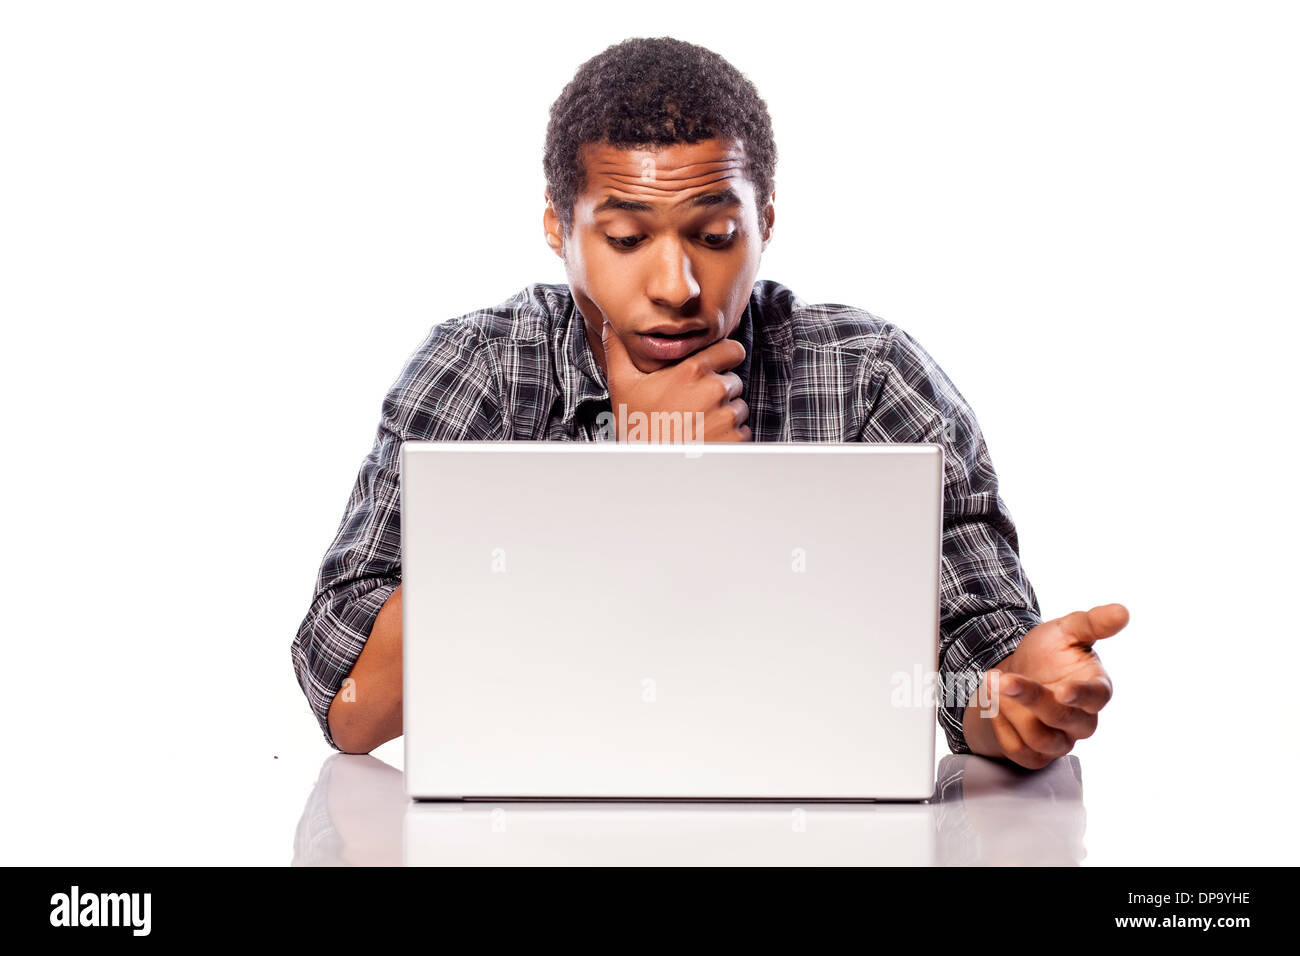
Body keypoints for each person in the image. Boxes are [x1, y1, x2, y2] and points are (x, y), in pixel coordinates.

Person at [292, 36, 1128, 769]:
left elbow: (969, 659)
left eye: (715, 236)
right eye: (624, 239)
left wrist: (1011, 701)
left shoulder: (871, 377)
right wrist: (626, 478)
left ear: (765, 220)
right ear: (558, 228)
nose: (677, 286)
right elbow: (350, 701)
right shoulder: (479, 367)